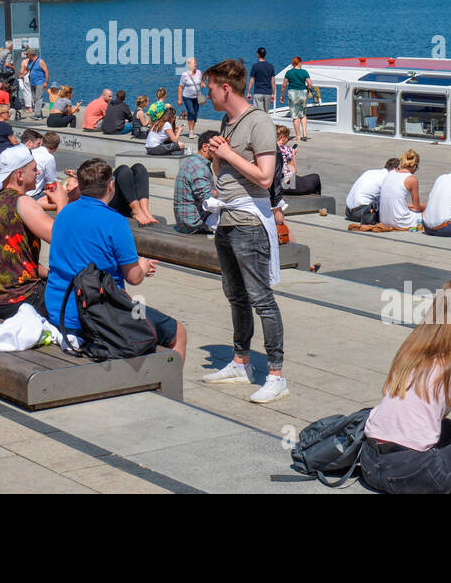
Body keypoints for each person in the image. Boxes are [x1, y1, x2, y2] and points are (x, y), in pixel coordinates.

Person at [358, 280, 451, 495]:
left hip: (371, 464)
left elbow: (433, 412)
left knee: (447, 429)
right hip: (409, 474)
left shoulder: (414, 347)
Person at [201, 58, 287, 404]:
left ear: (225, 88)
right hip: (226, 219)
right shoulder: (228, 121)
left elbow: (265, 178)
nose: (207, 95)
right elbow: (229, 173)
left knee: (261, 298)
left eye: (210, 89)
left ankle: (277, 374)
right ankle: (241, 361)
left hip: (250, 222)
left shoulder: (259, 122)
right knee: (235, 296)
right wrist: (216, 158)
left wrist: (227, 155)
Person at [45, 158, 187, 359]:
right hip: (96, 317)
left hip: (58, 310)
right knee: (178, 332)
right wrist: (143, 266)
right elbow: (134, 278)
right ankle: (165, 388)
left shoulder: (64, 213)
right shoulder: (116, 222)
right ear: (111, 186)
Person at [0, 146, 68, 319]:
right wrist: (61, 203)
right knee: (82, 299)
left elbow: (16, 257)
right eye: (34, 169)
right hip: (21, 299)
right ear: (20, 175)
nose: (38, 173)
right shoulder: (23, 201)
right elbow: (61, 238)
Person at [174, 131, 217, 233]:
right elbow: (208, 199)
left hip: (186, 221)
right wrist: (229, 190)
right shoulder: (199, 168)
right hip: (194, 224)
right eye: (217, 147)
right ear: (205, 147)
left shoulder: (193, 161)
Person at [378, 150, 425, 230]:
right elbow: (417, 207)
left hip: (383, 220)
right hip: (400, 222)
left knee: (409, 207)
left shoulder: (391, 173)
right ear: (415, 166)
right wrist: (426, 206)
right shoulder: (412, 179)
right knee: (427, 212)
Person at [280, 56, 316, 141]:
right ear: (299, 63)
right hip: (303, 93)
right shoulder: (304, 72)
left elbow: (284, 85)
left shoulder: (289, 72)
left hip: (292, 93)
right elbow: (310, 84)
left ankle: (298, 136)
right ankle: (305, 133)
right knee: (303, 114)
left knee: (295, 116)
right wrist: (307, 87)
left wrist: (282, 95)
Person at [27, 129, 61, 200]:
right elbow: (51, 181)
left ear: (41, 142)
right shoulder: (49, 158)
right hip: (33, 195)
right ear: (56, 148)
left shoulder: (31, 151)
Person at [21, 47, 49, 118]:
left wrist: (46, 82)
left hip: (40, 82)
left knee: (39, 98)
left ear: (31, 54)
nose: (26, 56)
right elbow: (28, 69)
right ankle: (39, 113)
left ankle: (38, 115)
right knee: (34, 98)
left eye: (27, 54)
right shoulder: (29, 61)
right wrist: (22, 74)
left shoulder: (40, 61)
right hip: (32, 82)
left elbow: (46, 71)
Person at [248, 47, 276, 114]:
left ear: (258, 54)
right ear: (265, 55)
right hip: (267, 93)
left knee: (258, 113)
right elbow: (273, 82)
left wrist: (249, 92)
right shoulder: (271, 66)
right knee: (266, 113)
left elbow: (251, 81)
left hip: (258, 92)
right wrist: (273, 93)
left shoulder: (255, 66)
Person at [178, 58, 204, 130]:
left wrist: (202, 83)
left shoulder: (199, 72)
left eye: (196, 63)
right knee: (191, 112)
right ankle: (190, 131)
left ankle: (192, 130)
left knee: (195, 114)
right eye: (194, 63)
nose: (196, 64)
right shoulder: (185, 75)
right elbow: (180, 87)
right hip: (187, 97)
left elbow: (201, 80)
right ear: (189, 65)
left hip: (197, 97)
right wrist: (179, 99)